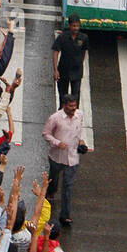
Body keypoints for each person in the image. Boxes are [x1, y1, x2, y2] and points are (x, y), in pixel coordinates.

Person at [42, 95, 87, 227]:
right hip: (57, 156)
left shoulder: (80, 115)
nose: (73, 109)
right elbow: (46, 133)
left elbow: (79, 131)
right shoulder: (55, 118)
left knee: (68, 186)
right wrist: (57, 143)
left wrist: (81, 141)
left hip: (73, 157)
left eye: (75, 106)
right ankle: (51, 191)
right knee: (54, 178)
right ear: (64, 105)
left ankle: (65, 215)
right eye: (70, 106)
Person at [52, 15, 88, 104]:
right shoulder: (62, 37)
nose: (76, 28)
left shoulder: (83, 38)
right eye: (74, 26)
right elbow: (56, 52)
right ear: (69, 25)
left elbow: (84, 52)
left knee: (75, 97)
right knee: (63, 97)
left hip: (76, 72)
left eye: (77, 26)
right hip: (63, 70)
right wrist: (56, 70)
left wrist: (79, 63)